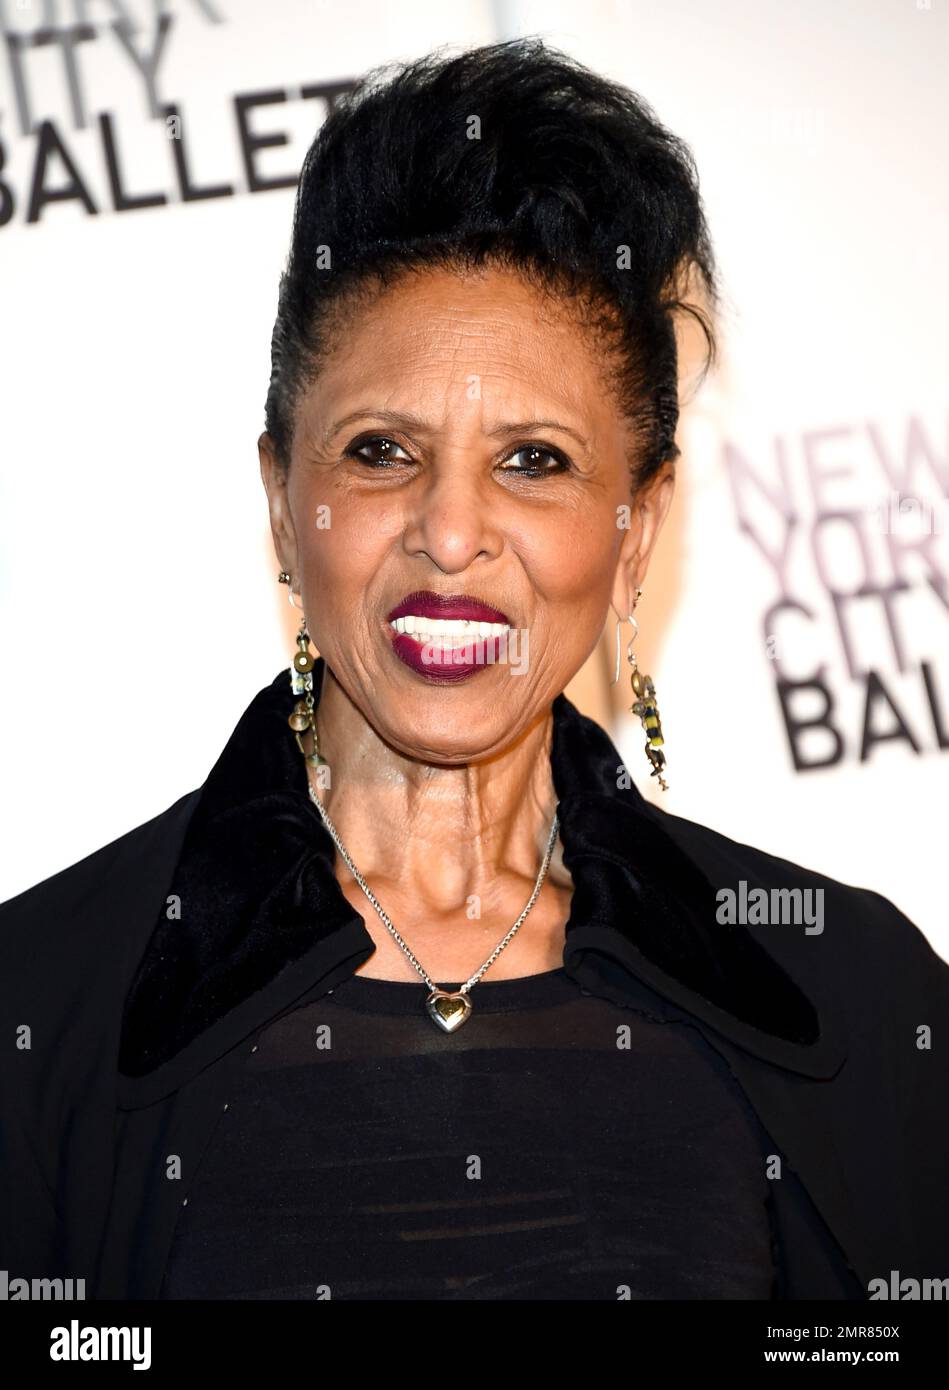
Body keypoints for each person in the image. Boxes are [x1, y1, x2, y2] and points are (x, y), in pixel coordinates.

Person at [1, 37, 947, 1303]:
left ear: (637, 532)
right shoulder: (42, 1013)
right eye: (381, 449)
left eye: (535, 460)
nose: (450, 532)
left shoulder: (859, 999)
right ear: (283, 503)